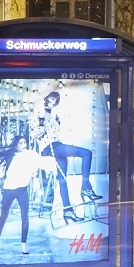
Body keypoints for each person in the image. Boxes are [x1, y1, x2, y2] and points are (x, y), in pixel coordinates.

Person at [39, 87, 95, 222]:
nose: (54, 101)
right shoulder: (41, 113)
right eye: (52, 98)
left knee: (63, 180)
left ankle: (68, 211)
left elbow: (56, 132)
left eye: (56, 99)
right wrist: (42, 123)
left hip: (56, 145)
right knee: (86, 153)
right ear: (46, 99)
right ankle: (86, 187)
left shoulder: (54, 115)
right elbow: (37, 133)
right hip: (49, 146)